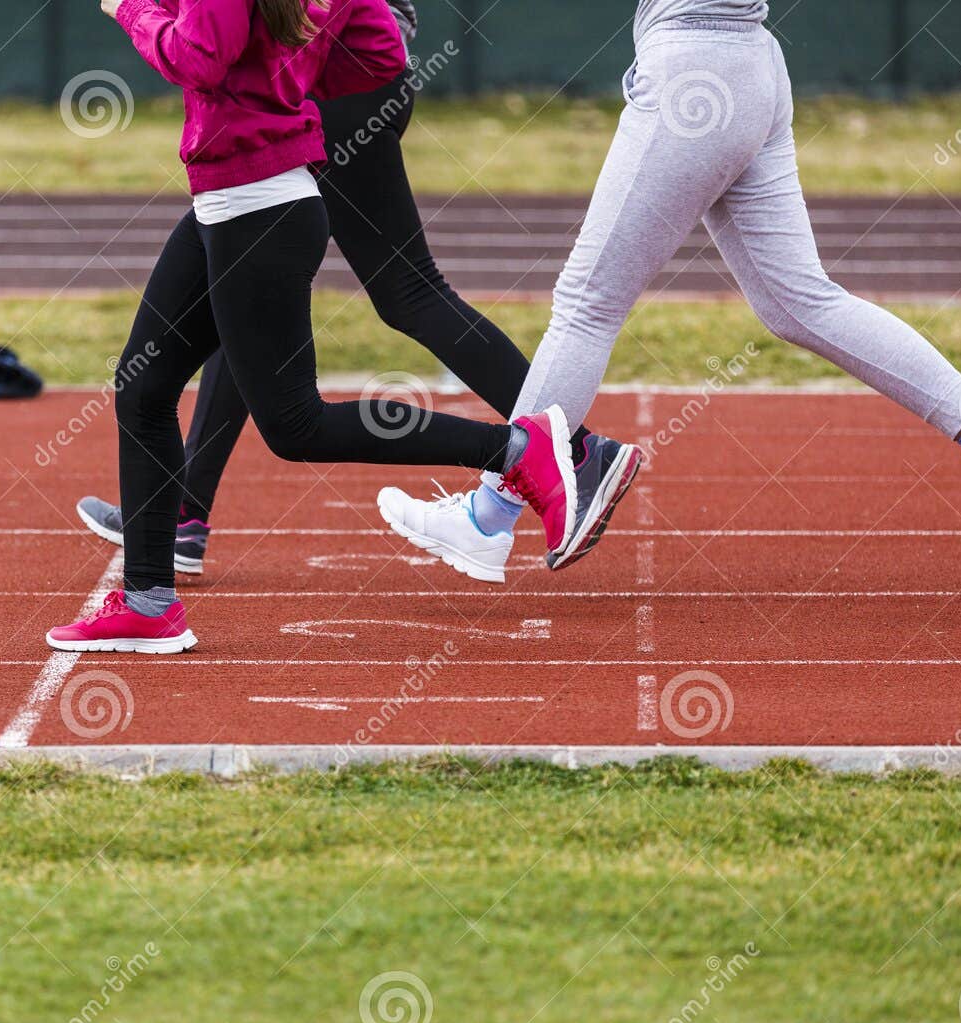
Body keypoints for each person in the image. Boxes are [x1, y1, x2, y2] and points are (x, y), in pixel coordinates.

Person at [382, 0, 961, 574]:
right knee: (799, 302)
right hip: (748, 62)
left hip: (697, 67)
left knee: (588, 305)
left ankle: (492, 513)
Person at [47, 0, 600, 654]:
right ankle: (148, 601)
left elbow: (200, 53)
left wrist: (132, 9)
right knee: (144, 386)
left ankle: (516, 451)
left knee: (296, 425)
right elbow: (381, 52)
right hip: (237, 199)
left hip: (256, 206)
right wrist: (283, 77)